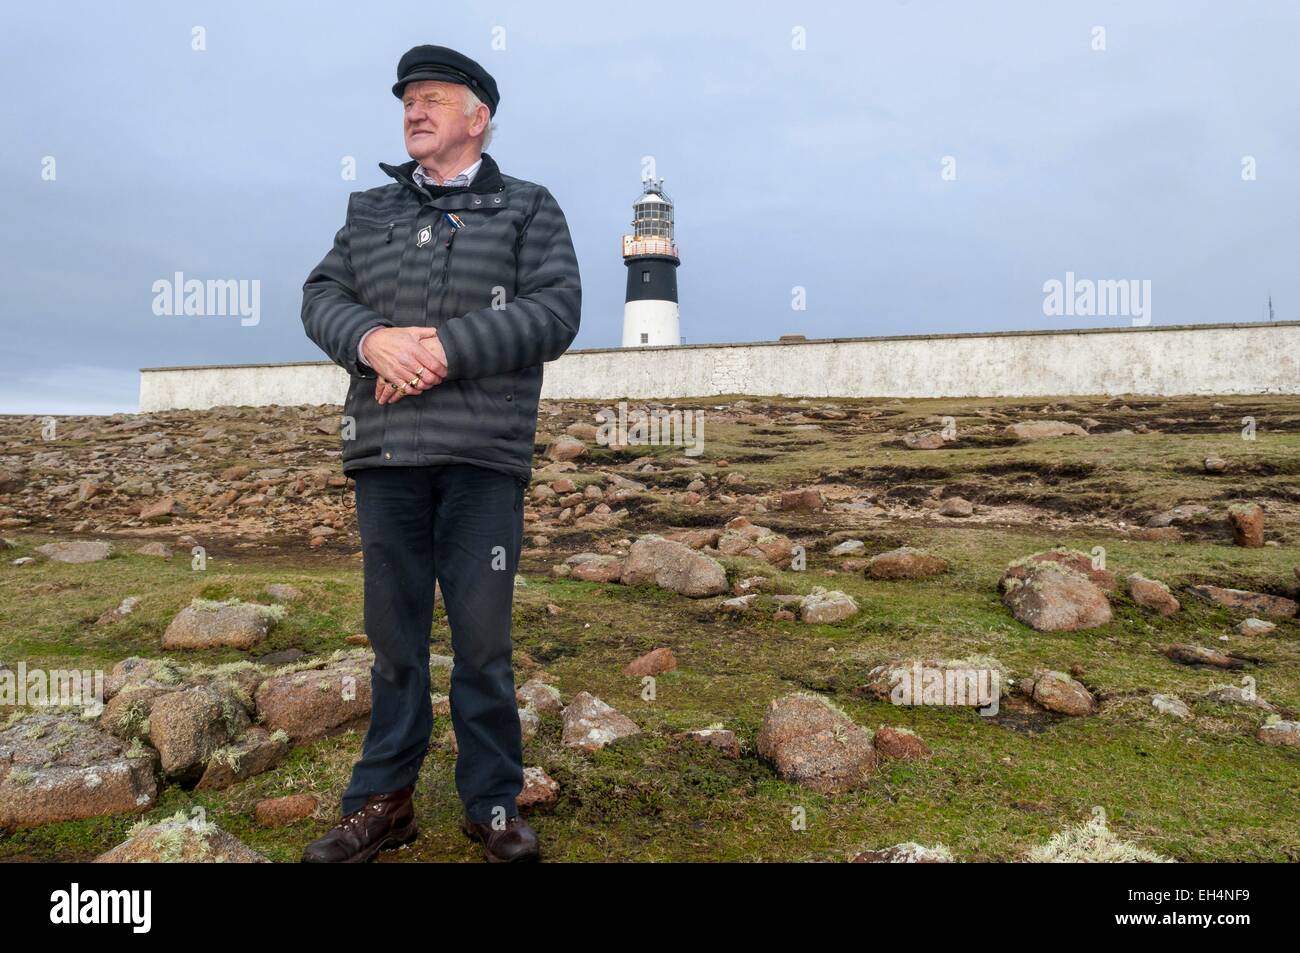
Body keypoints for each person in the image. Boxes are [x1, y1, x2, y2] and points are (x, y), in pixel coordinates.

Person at [299, 43, 581, 863]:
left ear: (477, 116)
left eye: (432, 98)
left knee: (484, 639)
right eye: (407, 101)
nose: (413, 111)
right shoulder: (369, 210)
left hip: (483, 457)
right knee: (393, 640)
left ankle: (493, 803)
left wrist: (442, 351)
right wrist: (374, 341)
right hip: (384, 454)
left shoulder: (528, 207)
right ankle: (381, 802)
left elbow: (557, 310)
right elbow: (321, 297)